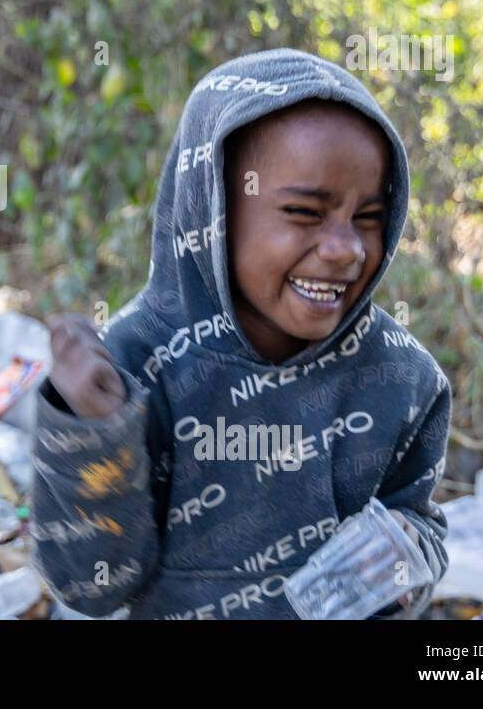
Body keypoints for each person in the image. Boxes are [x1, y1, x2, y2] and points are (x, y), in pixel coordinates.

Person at [31, 48, 451, 619]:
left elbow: (421, 528)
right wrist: (94, 435)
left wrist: (404, 554)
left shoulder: (402, 378)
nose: (346, 248)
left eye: (369, 217)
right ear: (213, 211)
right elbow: (91, 588)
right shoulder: (133, 365)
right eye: (305, 212)